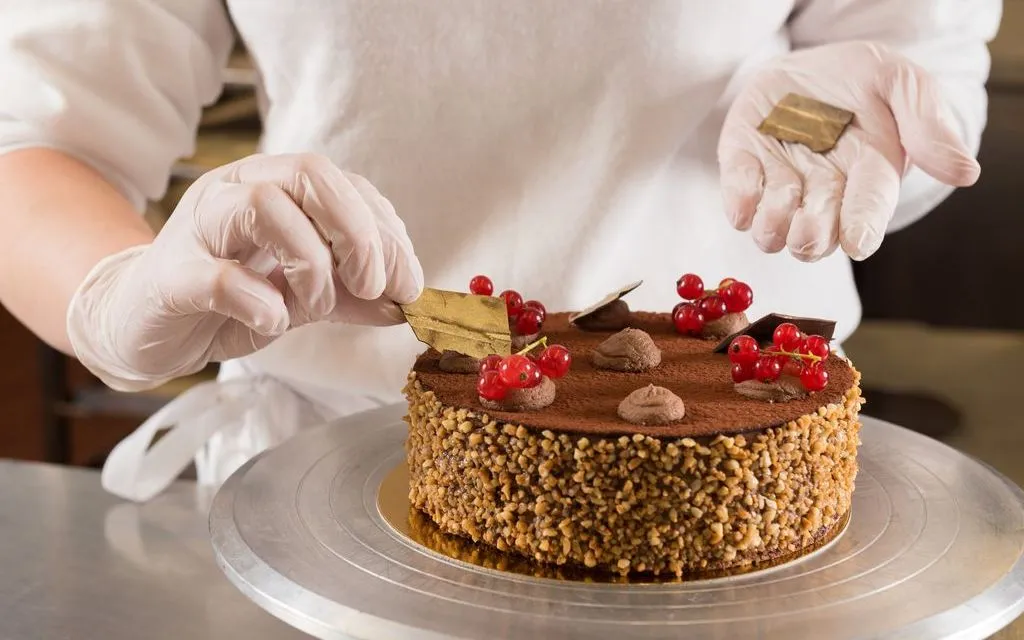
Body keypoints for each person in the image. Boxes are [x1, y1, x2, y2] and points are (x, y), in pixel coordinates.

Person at [0, 1, 1001, 500]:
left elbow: (907, 54)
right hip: (335, 470)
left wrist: (828, 119)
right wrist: (110, 295)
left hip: (738, 466)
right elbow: (39, 133)